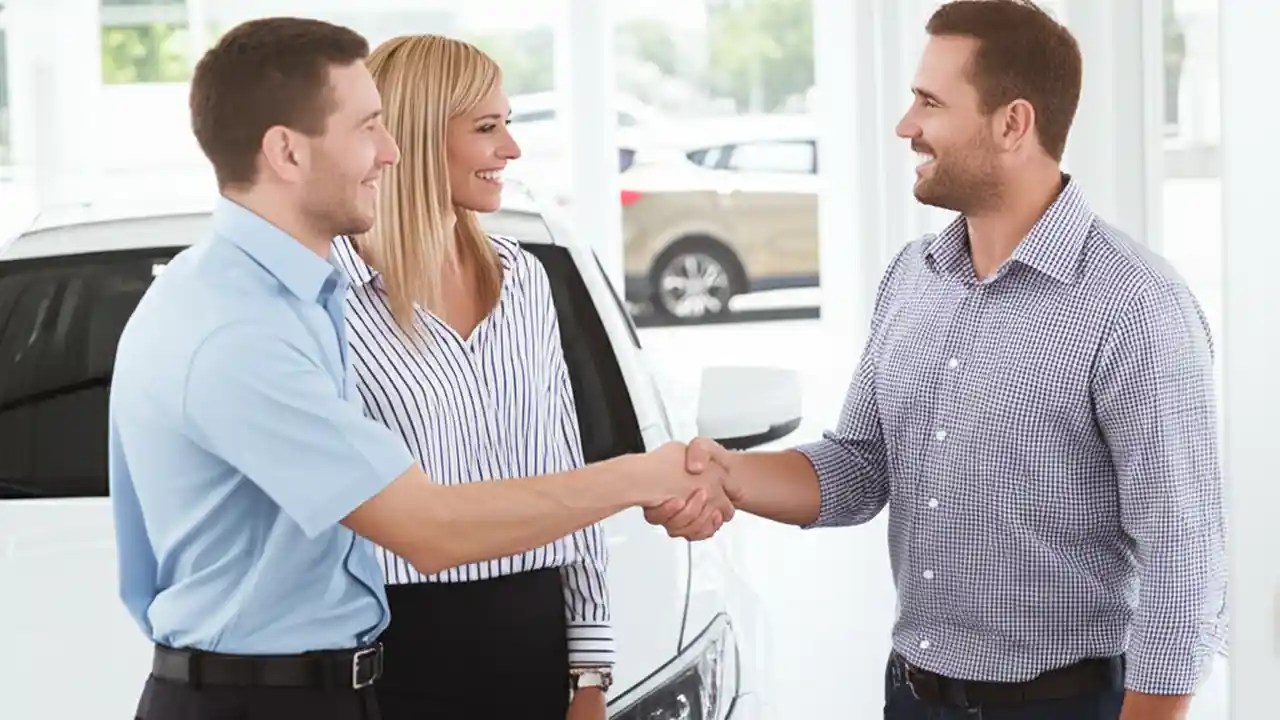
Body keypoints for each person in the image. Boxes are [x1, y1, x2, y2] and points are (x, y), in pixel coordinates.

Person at [109, 17, 731, 720]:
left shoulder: (300, 299)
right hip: (283, 689)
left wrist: (588, 666)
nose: (390, 152)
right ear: (285, 151)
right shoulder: (237, 328)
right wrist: (644, 474)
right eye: (368, 128)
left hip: (349, 678)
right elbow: (427, 528)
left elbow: (540, 460)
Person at [651, 2, 1228, 719]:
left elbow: (1184, 559)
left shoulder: (1135, 306)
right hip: (913, 695)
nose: (905, 125)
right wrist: (729, 475)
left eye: (929, 101)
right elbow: (860, 467)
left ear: (1013, 123)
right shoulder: (912, 276)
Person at [331, 34, 625, 720]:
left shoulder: (525, 281)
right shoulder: (327, 299)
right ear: (413, 135)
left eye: (508, 125)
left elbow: (563, 471)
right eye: (487, 128)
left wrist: (589, 671)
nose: (511, 150)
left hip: (531, 634)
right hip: (388, 649)